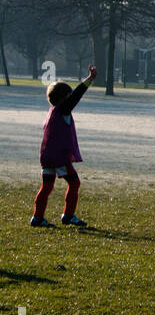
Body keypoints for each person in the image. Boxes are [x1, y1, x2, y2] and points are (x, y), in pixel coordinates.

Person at [32, 65, 97, 227]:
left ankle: (37, 218)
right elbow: (77, 95)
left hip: (46, 156)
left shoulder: (51, 111)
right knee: (74, 183)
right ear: (64, 98)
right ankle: (68, 216)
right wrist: (89, 79)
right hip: (59, 157)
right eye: (68, 96)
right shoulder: (63, 110)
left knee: (46, 187)